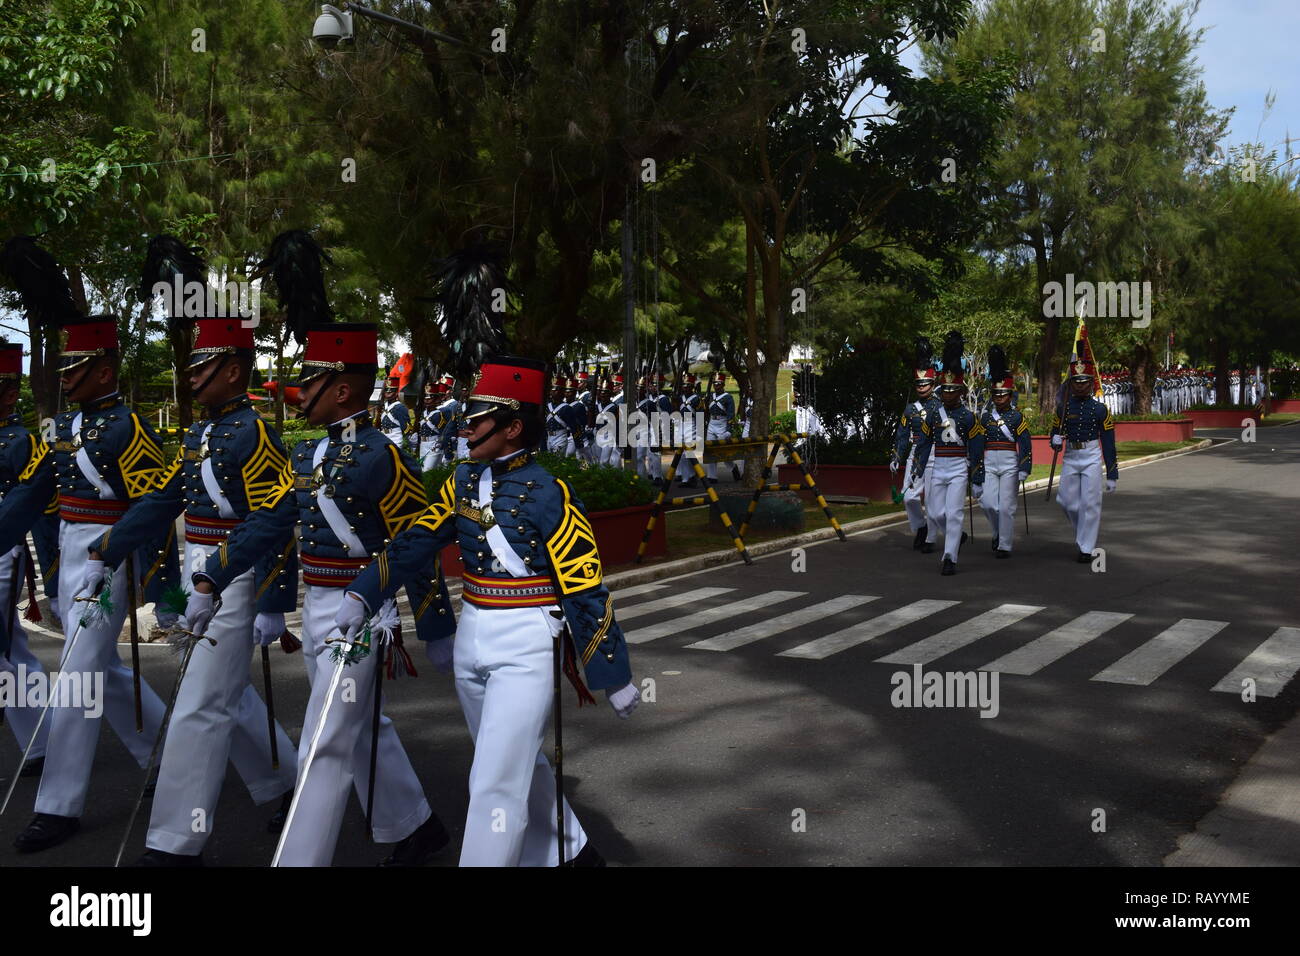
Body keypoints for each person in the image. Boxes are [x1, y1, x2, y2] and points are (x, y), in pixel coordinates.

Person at [189, 284, 453, 865]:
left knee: (324, 737)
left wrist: (436, 627)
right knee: (355, 724)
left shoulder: (384, 455)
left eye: (309, 383)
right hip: (318, 606)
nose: (298, 392)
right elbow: (273, 525)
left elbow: (417, 544)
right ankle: (414, 825)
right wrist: (215, 576)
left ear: (340, 389)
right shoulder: (311, 455)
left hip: (364, 610)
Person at [341, 356, 639, 866]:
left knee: (493, 782)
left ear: (513, 427)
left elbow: (585, 587)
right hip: (473, 633)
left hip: (527, 640)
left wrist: (612, 672)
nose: (467, 426)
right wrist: (365, 590)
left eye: (479, 418)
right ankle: (573, 852)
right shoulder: (462, 481)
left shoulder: (550, 492)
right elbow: (415, 542)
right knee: (508, 763)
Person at [89, 315, 299, 865]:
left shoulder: (256, 433)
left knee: (199, 703)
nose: (193, 377)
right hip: (196, 571)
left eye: (203, 367)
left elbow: (274, 521)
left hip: (234, 571)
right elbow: (163, 500)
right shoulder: (200, 432)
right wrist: (108, 548)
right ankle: (288, 780)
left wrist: (271, 601)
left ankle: (176, 840)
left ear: (233, 371)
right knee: (219, 687)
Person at [2, 311, 178, 853]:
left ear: (105, 371)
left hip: (109, 555)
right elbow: (33, 496)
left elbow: (156, 501)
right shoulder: (60, 428)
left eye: (77, 366)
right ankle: (168, 750)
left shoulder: (131, 428)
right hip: (74, 551)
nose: (65, 376)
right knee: (100, 666)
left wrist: (124, 555)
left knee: (78, 674)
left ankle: (58, 806)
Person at [0, 341, 57, 779]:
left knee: (6, 649)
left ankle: (43, 740)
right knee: (10, 648)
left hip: (3, 551)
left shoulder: (20, 442)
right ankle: (42, 738)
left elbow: (39, 509)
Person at [912, 333, 976, 576]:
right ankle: (957, 535)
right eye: (945, 390)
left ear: (959, 391)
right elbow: (925, 442)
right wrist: (918, 469)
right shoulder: (934, 413)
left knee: (955, 511)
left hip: (959, 466)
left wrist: (976, 474)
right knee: (936, 512)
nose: (947, 394)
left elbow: (976, 447)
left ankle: (950, 557)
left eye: (952, 390)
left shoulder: (968, 416)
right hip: (938, 466)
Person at [1050, 359, 1118, 562]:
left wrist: (1112, 474)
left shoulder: (1100, 409)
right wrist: (1054, 440)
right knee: (1066, 502)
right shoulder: (1063, 408)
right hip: (1071, 455)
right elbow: (1055, 436)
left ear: (1091, 384)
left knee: (1090, 503)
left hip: (1091, 456)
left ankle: (1086, 548)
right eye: (1076, 382)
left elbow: (1108, 442)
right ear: (1071, 383)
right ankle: (1084, 532)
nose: (1080, 385)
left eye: (1084, 382)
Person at [969, 348, 1032, 559]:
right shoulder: (985, 418)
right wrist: (975, 469)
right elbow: (978, 445)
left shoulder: (1017, 417)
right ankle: (997, 531)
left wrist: (1024, 467)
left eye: (1002, 394)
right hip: (989, 462)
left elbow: (1025, 443)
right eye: (995, 394)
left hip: (1009, 464)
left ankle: (1004, 544)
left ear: (1010, 394)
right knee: (987, 502)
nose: (999, 397)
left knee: (1006, 507)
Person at [891, 339, 941, 551]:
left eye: (925, 383)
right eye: (919, 384)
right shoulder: (910, 409)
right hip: (915, 455)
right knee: (909, 496)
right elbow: (902, 435)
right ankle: (920, 527)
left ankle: (930, 538)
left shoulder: (940, 406)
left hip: (934, 456)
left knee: (931, 501)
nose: (922, 387)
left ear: (933, 383)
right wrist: (895, 456)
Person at [379, 377, 411, 448]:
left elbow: (406, 428)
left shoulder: (400, 407)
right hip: (384, 438)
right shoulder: (384, 406)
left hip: (396, 439)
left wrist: (409, 444)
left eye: (391, 391)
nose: (388, 392)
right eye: (386, 390)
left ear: (396, 393)